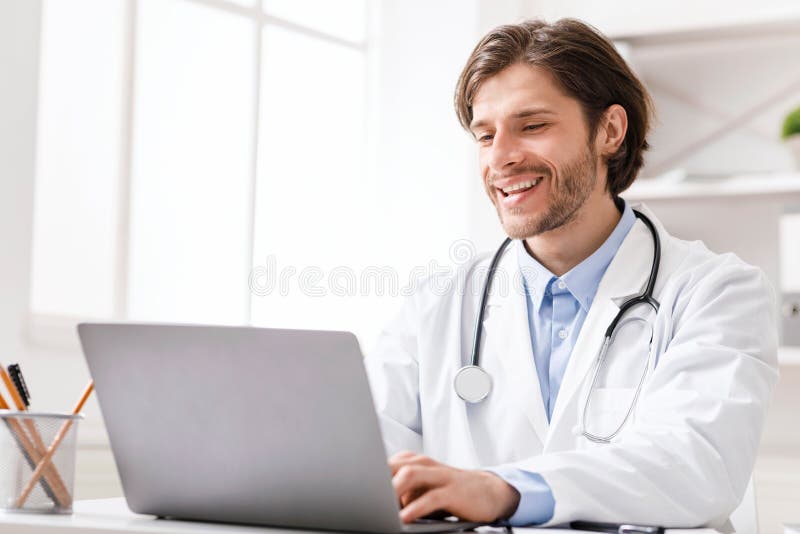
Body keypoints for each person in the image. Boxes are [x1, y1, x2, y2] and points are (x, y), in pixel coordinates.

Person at [364, 19, 779, 527]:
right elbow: (362, 455)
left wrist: (505, 491)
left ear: (609, 130)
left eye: (532, 125)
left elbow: (694, 463)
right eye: (485, 135)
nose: (501, 158)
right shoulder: (439, 303)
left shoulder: (715, 292)